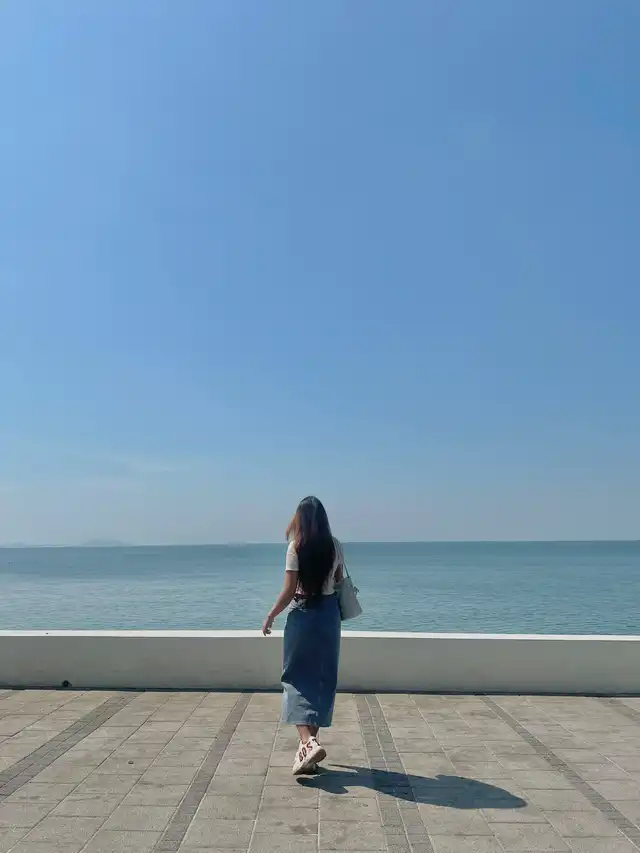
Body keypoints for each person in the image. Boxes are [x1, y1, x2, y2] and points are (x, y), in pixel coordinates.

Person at [262, 496, 344, 775]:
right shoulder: (335, 546)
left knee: (295, 678)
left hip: (303, 614)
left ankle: (307, 741)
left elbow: (289, 591)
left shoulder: (296, 547)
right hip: (329, 616)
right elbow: (339, 581)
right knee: (323, 679)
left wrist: (271, 615)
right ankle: (308, 752)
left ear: (301, 519)